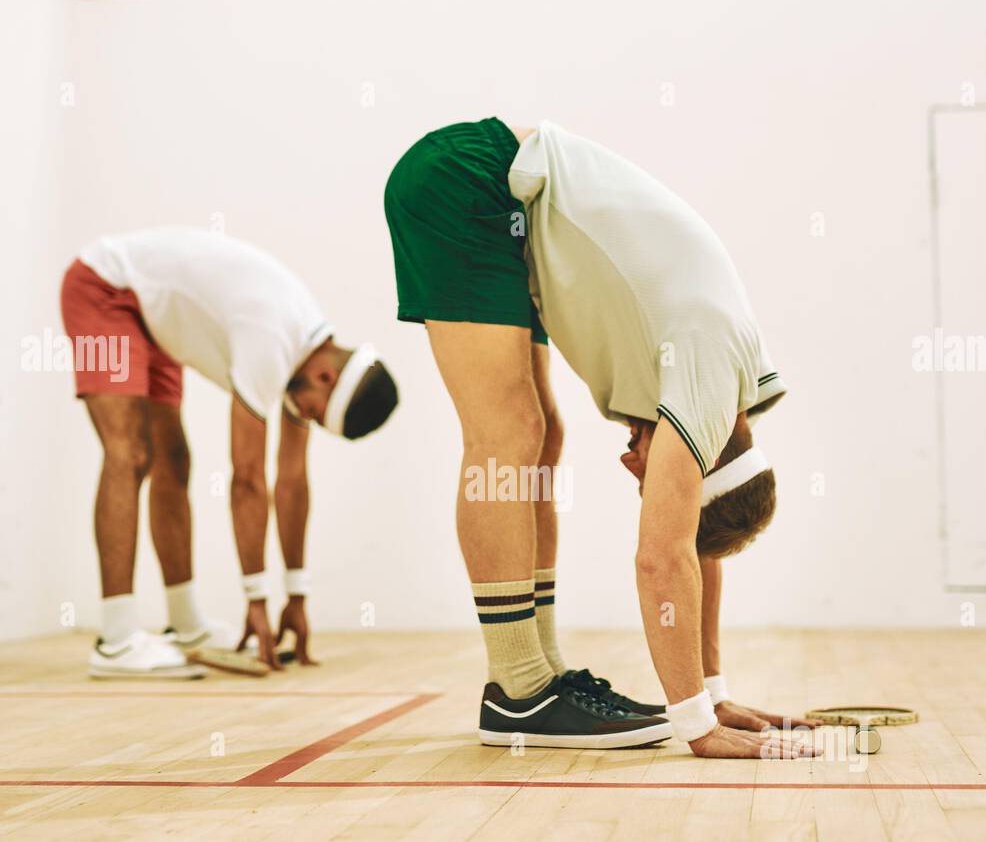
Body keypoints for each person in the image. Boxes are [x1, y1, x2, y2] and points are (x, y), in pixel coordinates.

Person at [385, 118, 816, 756]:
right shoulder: (706, 380)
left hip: (511, 214)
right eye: (648, 480)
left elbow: (696, 547)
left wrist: (712, 689)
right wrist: (696, 725)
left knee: (544, 433)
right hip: (473, 178)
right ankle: (520, 691)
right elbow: (662, 557)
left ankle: (542, 676)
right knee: (508, 431)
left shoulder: (733, 400)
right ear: (705, 464)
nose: (628, 464)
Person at [61, 228, 398, 678]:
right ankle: (117, 641)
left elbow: (292, 480)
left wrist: (296, 596)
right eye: (318, 416)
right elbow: (247, 479)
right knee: (130, 453)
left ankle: (185, 626)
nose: (307, 420)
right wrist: (256, 600)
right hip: (105, 288)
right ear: (326, 380)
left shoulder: (307, 356)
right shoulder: (273, 341)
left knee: (174, 461)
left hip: (150, 320)